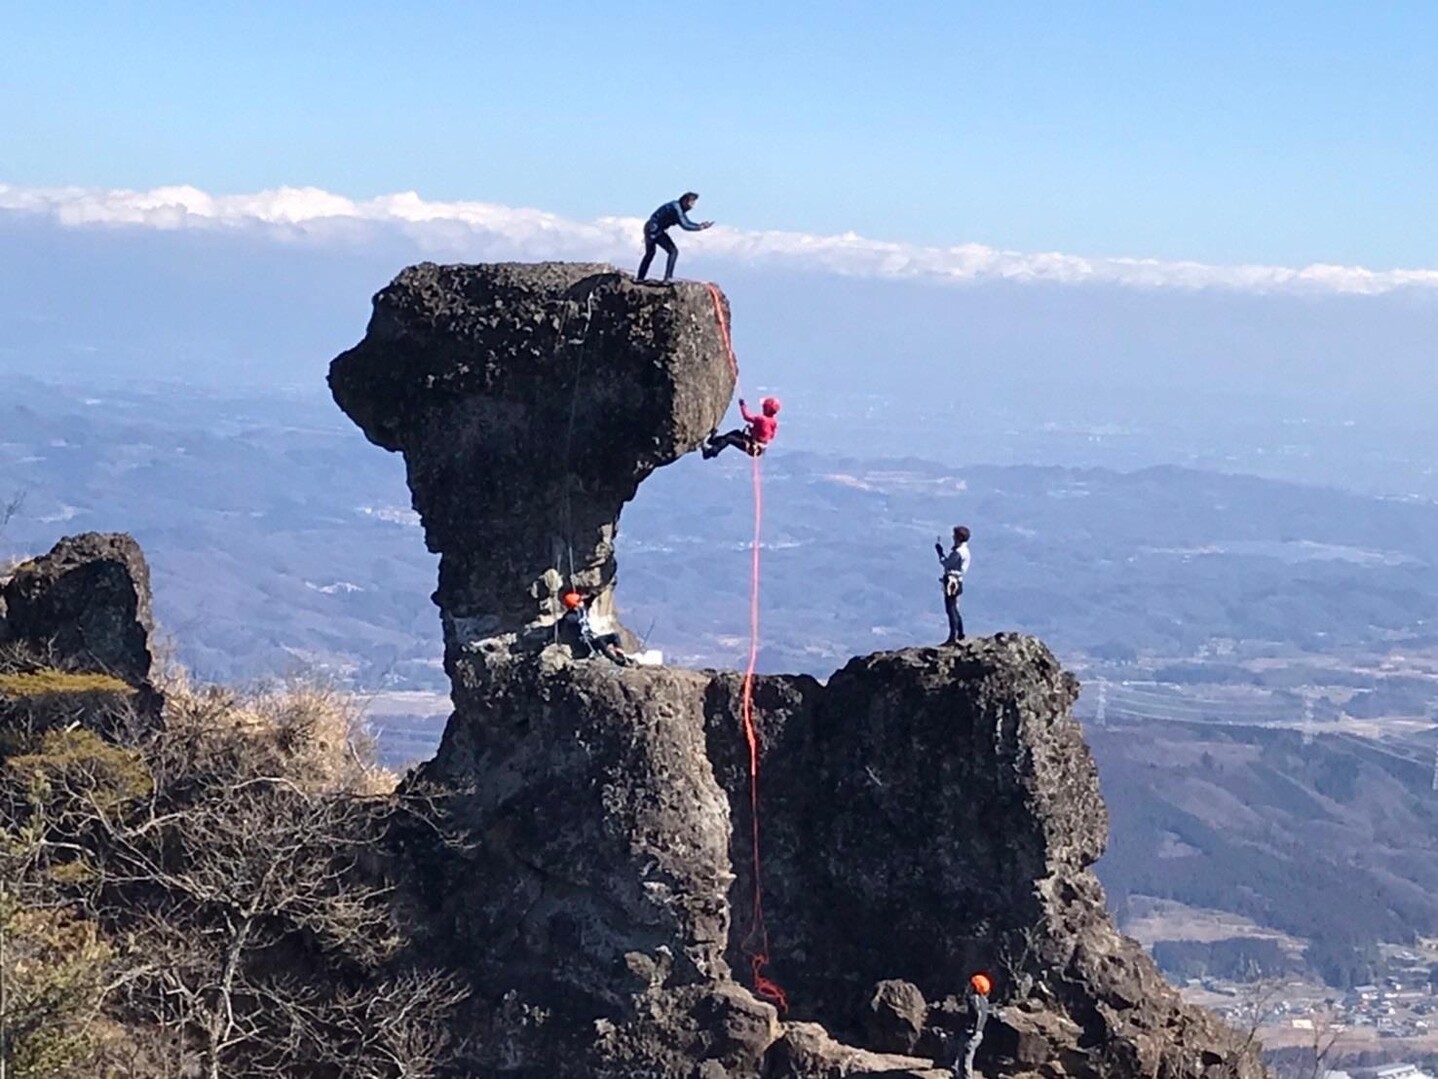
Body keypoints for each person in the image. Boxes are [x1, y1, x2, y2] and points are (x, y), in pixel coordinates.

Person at [637, 192, 713, 282]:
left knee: (650, 253)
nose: (692, 207)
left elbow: (687, 222)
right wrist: (700, 227)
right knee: (673, 251)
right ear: (685, 201)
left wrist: (699, 225)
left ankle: (640, 278)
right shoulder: (676, 208)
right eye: (691, 203)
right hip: (654, 230)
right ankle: (667, 278)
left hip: (651, 228)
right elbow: (685, 225)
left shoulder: (678, 207)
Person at [558, 591, 632, 665]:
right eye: (579, 601)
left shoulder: (581, 610)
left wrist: (593, 594)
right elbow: (564, 624)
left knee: (614, 636)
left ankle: (621, 656)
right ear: (574, 605)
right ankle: (615, 660)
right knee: (600, 641)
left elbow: (589, 600)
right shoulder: (570, 618)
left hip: (590, 639)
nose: (582, 602)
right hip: (583, 644)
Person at [702, 397, 781, 459]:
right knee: (736, 433)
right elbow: (771, 436)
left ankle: (710, 452)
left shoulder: (761, 419)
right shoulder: (774, 422)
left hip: (752, 446)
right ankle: (713, 441)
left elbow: (747, 417)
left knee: (729, 438)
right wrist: (756, 432)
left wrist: (743, 405)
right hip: (757, 447)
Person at [935, 525, 971, 644]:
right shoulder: (965, 551)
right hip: (958, 581)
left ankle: (953, 636)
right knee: (954, 607)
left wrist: (940, 553)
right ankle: (960, 633)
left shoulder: (958, 552)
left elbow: (947, 564)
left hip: (952, 581)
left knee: (950, 609)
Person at [952, 972, 992, 1079]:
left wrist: (974, 1029)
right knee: (964, 1054)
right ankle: (958, 1075)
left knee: (966, 1058)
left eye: (972, 985)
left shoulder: (974, 999)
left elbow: (978, 1014)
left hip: (972, 1033)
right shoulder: (985, 1000)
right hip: (978, 1033)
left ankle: (965, 1077)